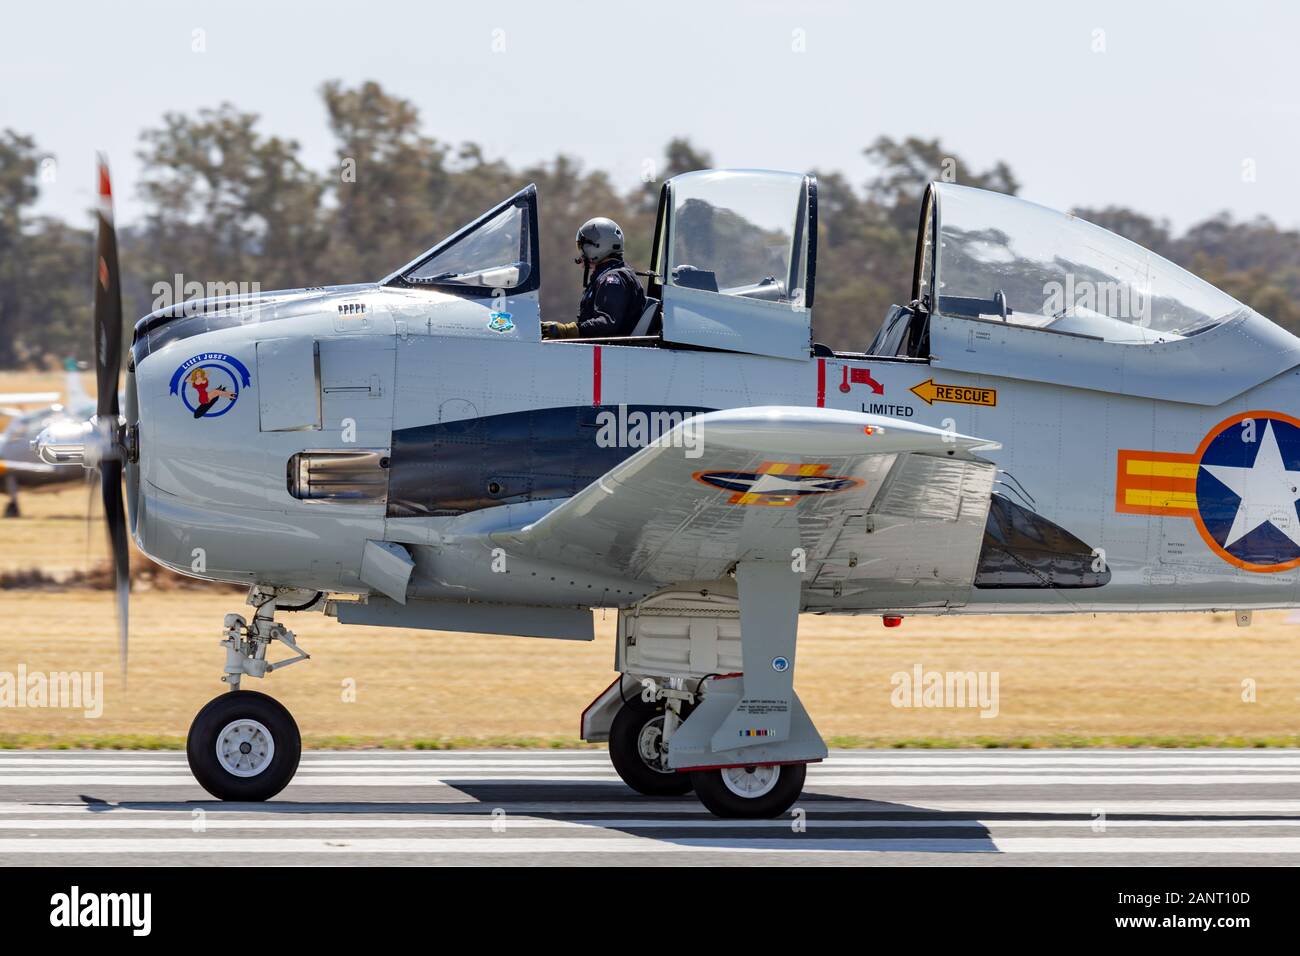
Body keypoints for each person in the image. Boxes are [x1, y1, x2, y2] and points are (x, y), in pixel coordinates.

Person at [541, 217, 647, 339]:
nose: (581, 253)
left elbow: (608, 323)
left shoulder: (612, 279)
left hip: (611, 351)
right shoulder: (614, 274)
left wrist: (567, 331)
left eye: (582, 246)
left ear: (597, 246)